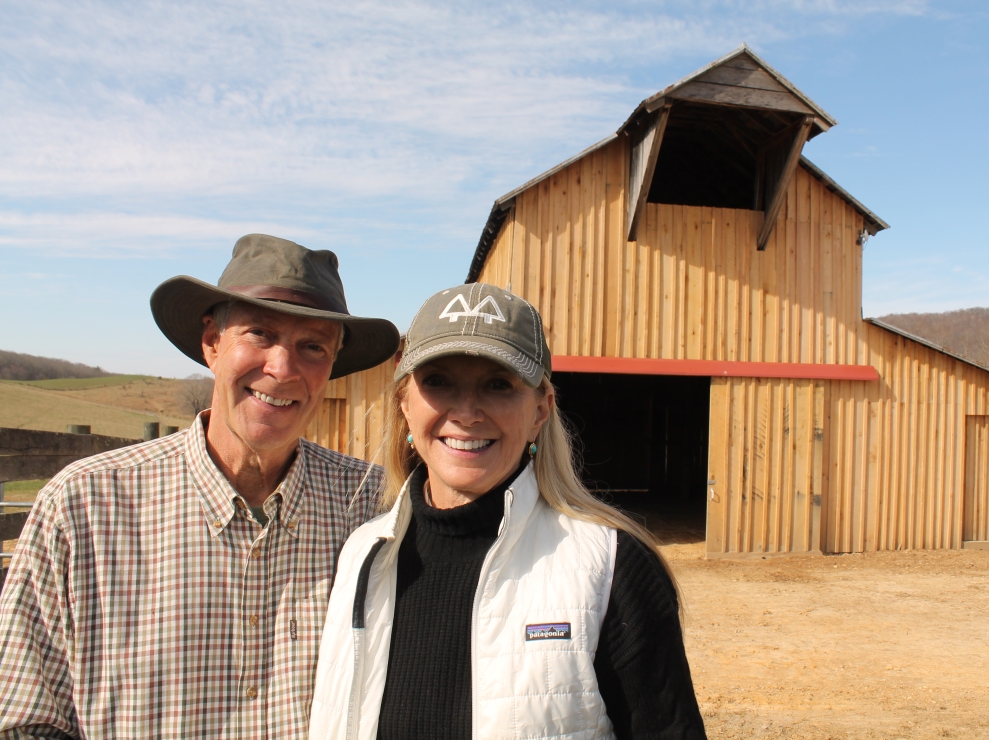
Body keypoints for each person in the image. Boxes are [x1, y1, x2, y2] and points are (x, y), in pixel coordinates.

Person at [0, 234, 400, 738]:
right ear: (212, 343)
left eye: (312, 347)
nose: (281, 368)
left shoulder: (371, 504)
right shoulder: (83, 507)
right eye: (259, 334)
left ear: (331, 367)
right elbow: (25, 720)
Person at [310, 283, 706, 740]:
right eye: (438, 381)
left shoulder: (611, 566)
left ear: (541, 409)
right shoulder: (362, 553)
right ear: (404, 402)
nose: (466, 413)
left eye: (498, 385)